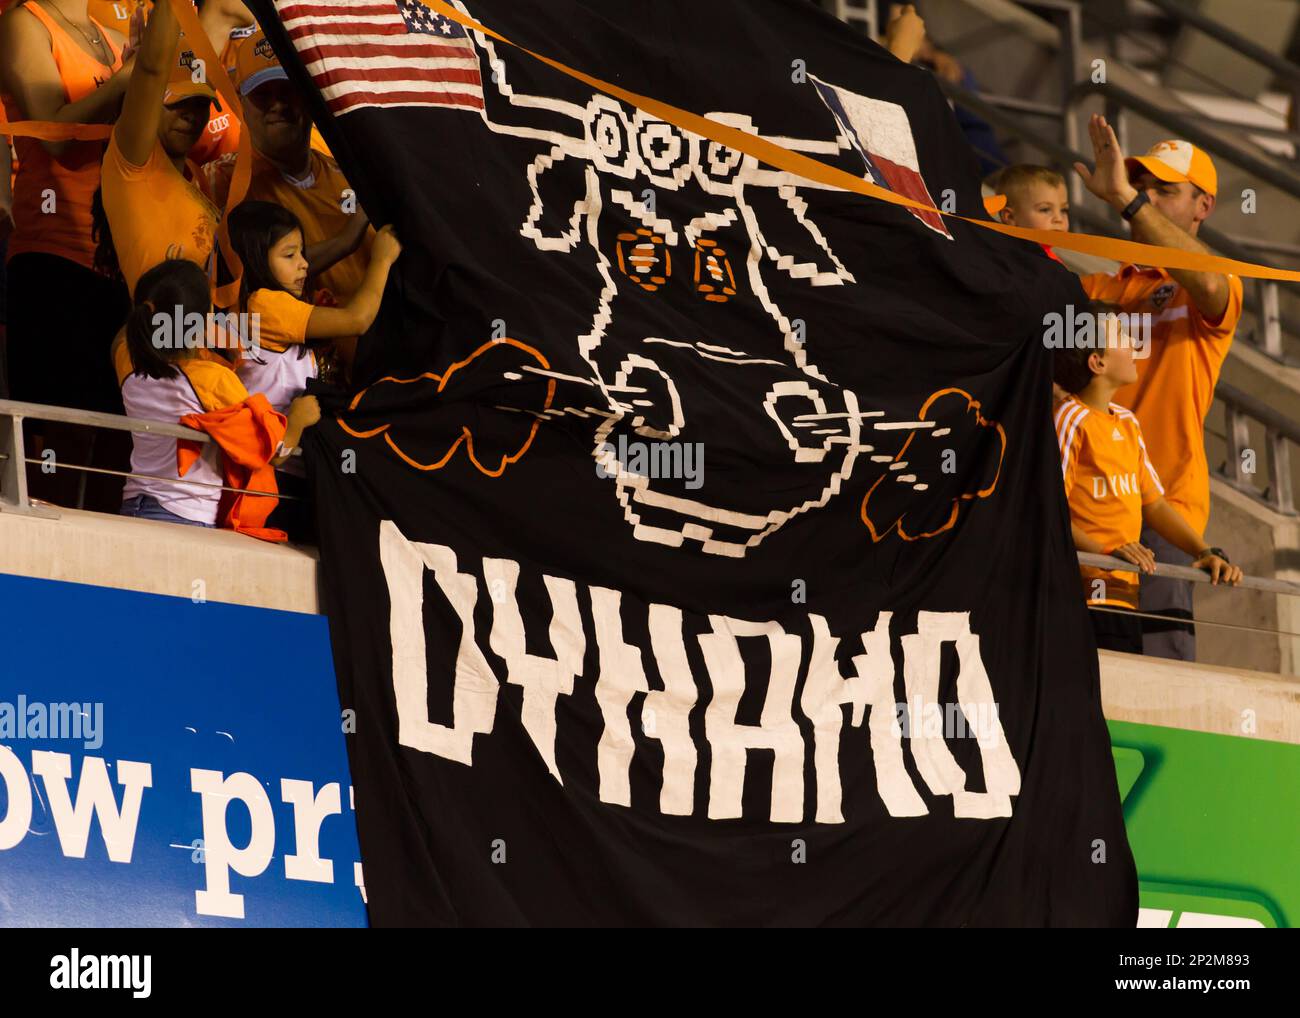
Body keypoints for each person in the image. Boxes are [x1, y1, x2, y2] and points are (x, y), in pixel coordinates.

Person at [1074, 117, 1243, 660]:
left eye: (1164, 191)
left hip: (1166, 509)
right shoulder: (1097, 288)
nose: (1147, 198)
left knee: (1164, 670)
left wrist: (1125, 201)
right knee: (1093, 668)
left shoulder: (1213, 283)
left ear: (1203, 207)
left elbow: (1209, 282)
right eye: (1142, 187)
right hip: (1093, 510)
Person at [0, 0, 132, 507]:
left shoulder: (115, 39)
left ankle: (109, 578)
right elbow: (53, 135)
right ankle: (39, 577)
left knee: (118, 441)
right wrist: (126, 83)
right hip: (52, 254)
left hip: (117, 260)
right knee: (58, 436)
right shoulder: (23, 23)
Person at [1054, 303, 1241, 654]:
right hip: (1075, 597)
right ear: (1098, 363)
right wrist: (1106, 552)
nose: (1134, 344)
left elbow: (1153, 504)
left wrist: (1206, 550)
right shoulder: (1070, 419)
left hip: (1125, 599)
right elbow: (1047, 509)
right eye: (1122, 338)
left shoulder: (1127, 421)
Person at [116, 257, 318, 527]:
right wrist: (298, 420)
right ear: (208, 318)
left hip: (132, 506)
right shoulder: (213, 379)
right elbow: (271, 452)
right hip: (185, 517)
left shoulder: (131, 374)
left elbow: (123, 339)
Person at [207, 30, 373, 311]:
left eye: (288, 90)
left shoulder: (347, 170)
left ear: (308, 95)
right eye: (262, 94)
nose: (278, 104)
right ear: (241, 102)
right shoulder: (224, 182)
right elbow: (244, 277)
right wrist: (345, 241)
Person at [227, 199, 402, 413]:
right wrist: (382, 260)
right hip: (278, 438)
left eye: (302, 252)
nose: (304, 263)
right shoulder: (263, 305)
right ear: (256, 260)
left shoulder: (249, 304)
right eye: (290, 255)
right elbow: (357, 320)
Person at [98, 0, 220, 295]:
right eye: (177, 102)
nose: (190, 114)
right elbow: (152, 70)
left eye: (200, 103)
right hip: (159, 339)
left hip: (203, 336)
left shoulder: (199, 179)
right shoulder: (135, 160)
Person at [989, 163, 1069, 261]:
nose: (1059, 219)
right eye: (1045, 209)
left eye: (1063, 210)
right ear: (1010, 217)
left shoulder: (1052, 260)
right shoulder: (1007, 259)